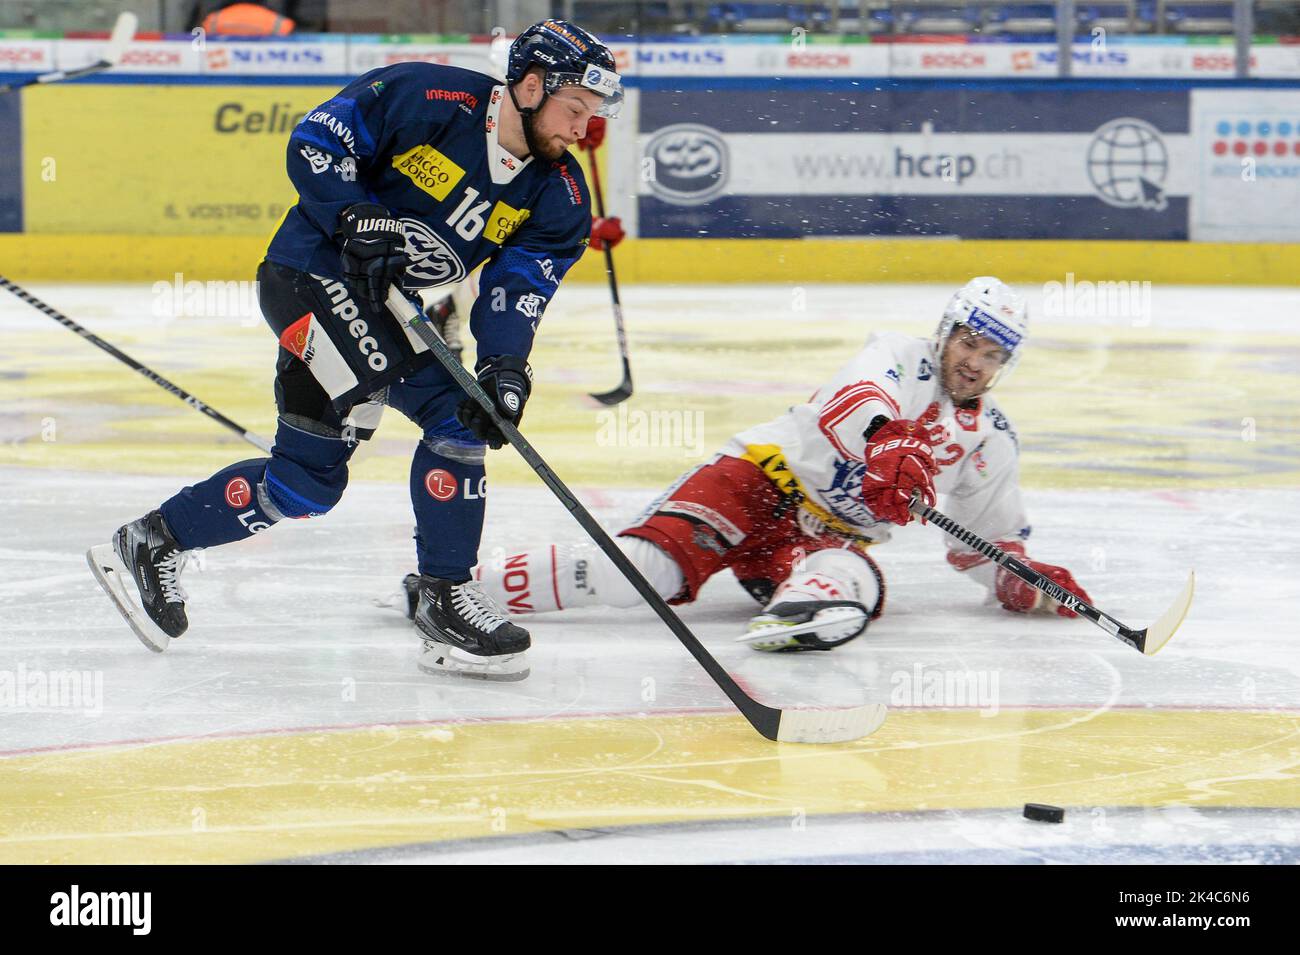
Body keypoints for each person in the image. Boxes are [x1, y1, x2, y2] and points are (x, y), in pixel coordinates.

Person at [87, 19, 623, 682]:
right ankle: (445, 595)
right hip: (310, 277)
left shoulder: (559, 196)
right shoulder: (429, 97)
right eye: (575, 108)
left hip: (386, 311)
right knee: (455, 418)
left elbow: (517, 291)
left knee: (306, 484)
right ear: (532, 85)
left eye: (593, 114)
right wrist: (350, 212)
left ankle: (152, 539)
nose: (583, 128)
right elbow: (318, 138)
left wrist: (505, 368)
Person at [461, 277, 1093, 651]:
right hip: (760, 477)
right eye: (970, 342)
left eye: (993, 354)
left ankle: (797, 615)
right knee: (641, 574)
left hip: (821, 539)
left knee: (853, 576)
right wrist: (887, 443)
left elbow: (983, 542)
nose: (976, 362)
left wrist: (1014, 577)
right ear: (946, 332)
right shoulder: (900, 356)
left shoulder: (990, 439)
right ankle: (464, 589)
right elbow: (857, 401)